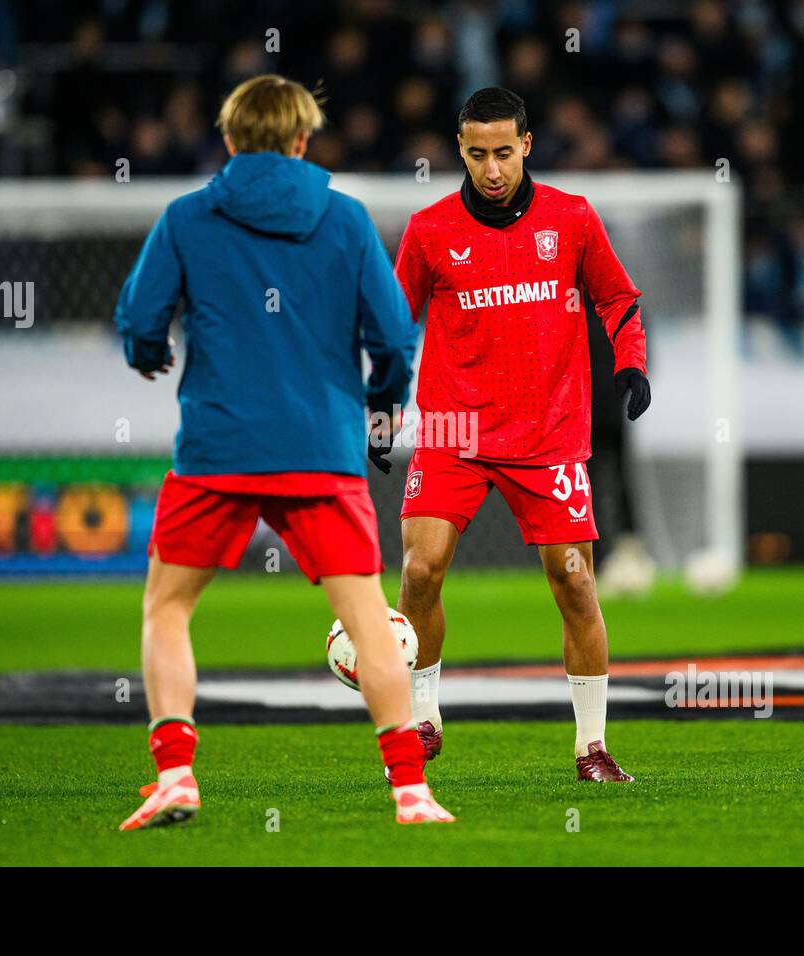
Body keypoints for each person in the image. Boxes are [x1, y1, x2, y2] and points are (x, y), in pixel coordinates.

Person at [113, 74, 453, 829]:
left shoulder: (187, 217)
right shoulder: (344, 220)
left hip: (218, 443)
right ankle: (410, 790)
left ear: (230, 140)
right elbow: (395, 338)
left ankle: (175, 775)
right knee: (368, 613)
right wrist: (381, 401)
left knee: (168, 608)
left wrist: (146, 353)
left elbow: (140, 316)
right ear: (303, 140)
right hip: (320, 444)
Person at [384, 87, 650, 781]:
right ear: (461, 151)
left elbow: (616, 297)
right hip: (452, 428)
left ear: (527, 145)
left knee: (575, 585)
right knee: (418, 570)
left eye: (504, 152)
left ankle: (592, 747)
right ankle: (421, 721)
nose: (492, 169)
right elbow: (390, 326)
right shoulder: (429, 230)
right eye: (477, 155)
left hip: (550, 433)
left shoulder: (572, 218)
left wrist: (631, 363)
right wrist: (381, 402)